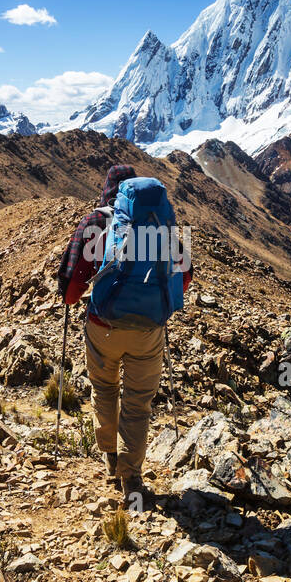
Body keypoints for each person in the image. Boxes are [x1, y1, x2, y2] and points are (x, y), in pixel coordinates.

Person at [57, 164, 193, 507]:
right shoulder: (160, 223)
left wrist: (84, 290)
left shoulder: (95, 223)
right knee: (138, 402)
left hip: (104, 326)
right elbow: (185, 275)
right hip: (149, 330)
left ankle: (109, 456)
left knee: (104, 388)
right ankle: (131, 476)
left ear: (109, 191)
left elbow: (71, 289)